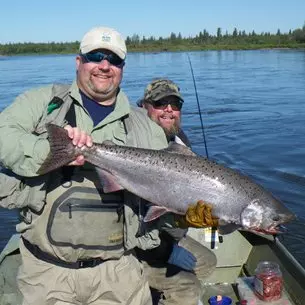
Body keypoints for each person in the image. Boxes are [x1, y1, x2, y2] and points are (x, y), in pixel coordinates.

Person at [0, 27, 217, 305]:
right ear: (79, 62)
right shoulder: (44, 103)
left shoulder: (146, 128)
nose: (105, 65)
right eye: (96, 56)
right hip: (46, 273)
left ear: (122, 68)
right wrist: (53, 151)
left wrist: (183, 216)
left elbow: (158, 205)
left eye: (114, 60)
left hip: (118, 272)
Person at [136, 79, 217, 305]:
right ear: (144, 106)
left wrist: (191, 217)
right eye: (161, 103)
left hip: (164, 233)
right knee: (188, 287)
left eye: (175, 104)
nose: (169, 109)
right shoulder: (134, 141)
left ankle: (162, 294)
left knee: (207, 261)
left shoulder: (179, 140)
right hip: (137, 244)